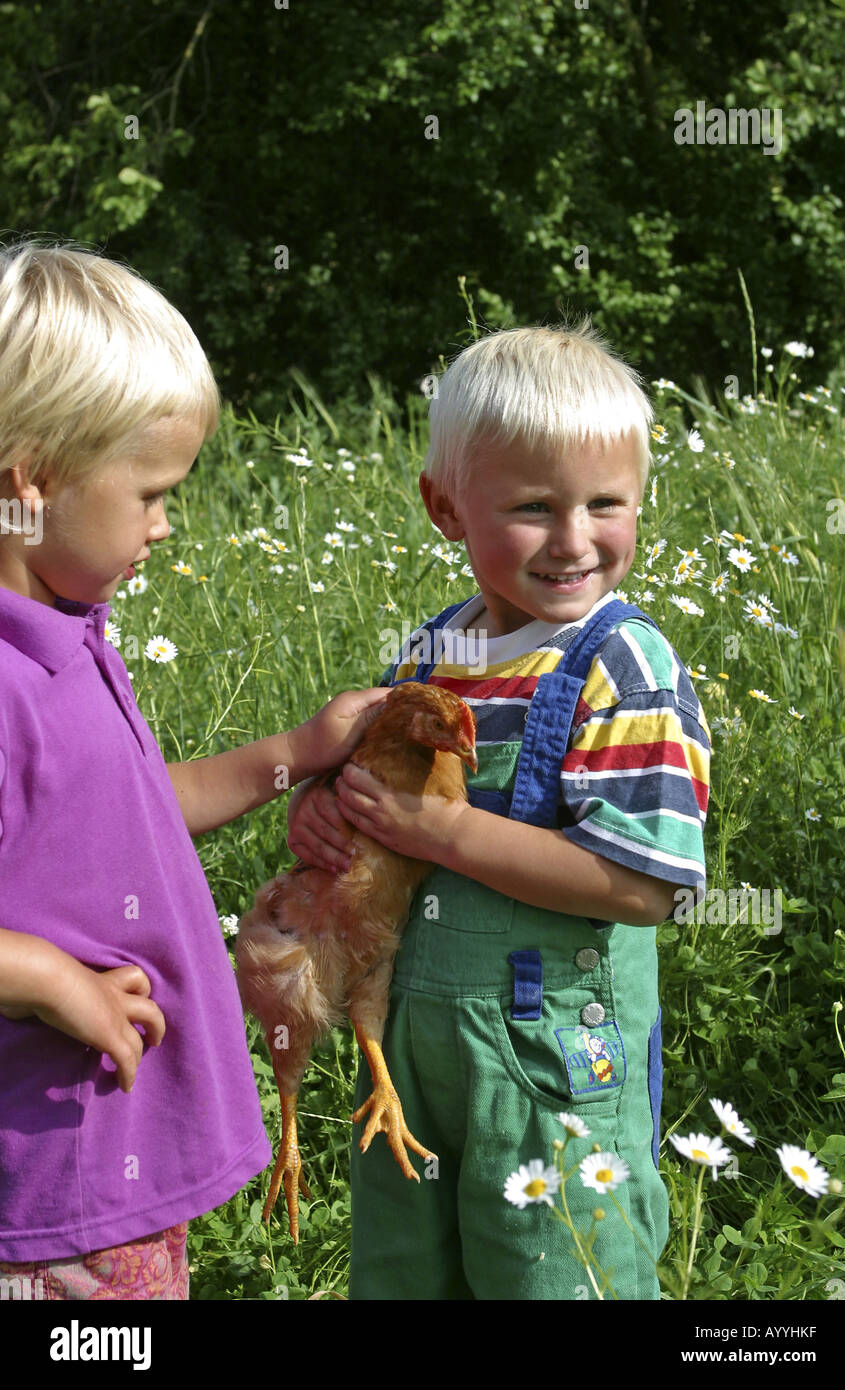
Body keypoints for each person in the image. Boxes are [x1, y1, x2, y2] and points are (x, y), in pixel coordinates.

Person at [288, 323, 713, 1300]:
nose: (573, 540)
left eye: (604, 504)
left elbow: (642, 887)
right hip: (410, 1054)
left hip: (552, 1064)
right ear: (446, 509)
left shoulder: (623, 668)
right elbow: (374, 801)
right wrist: (320, 813)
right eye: (532, 507)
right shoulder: (428, 654)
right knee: (405, 1274)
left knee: (556, 1270)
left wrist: (445, 833)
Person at [0, 240, 387, 1299]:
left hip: (107, 1165)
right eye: (151, 492)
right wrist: (46, 980)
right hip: (43, 1199)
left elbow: (119, 810)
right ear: (31, 481)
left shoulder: (69, 632)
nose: (166, 525)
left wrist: (293, 756)